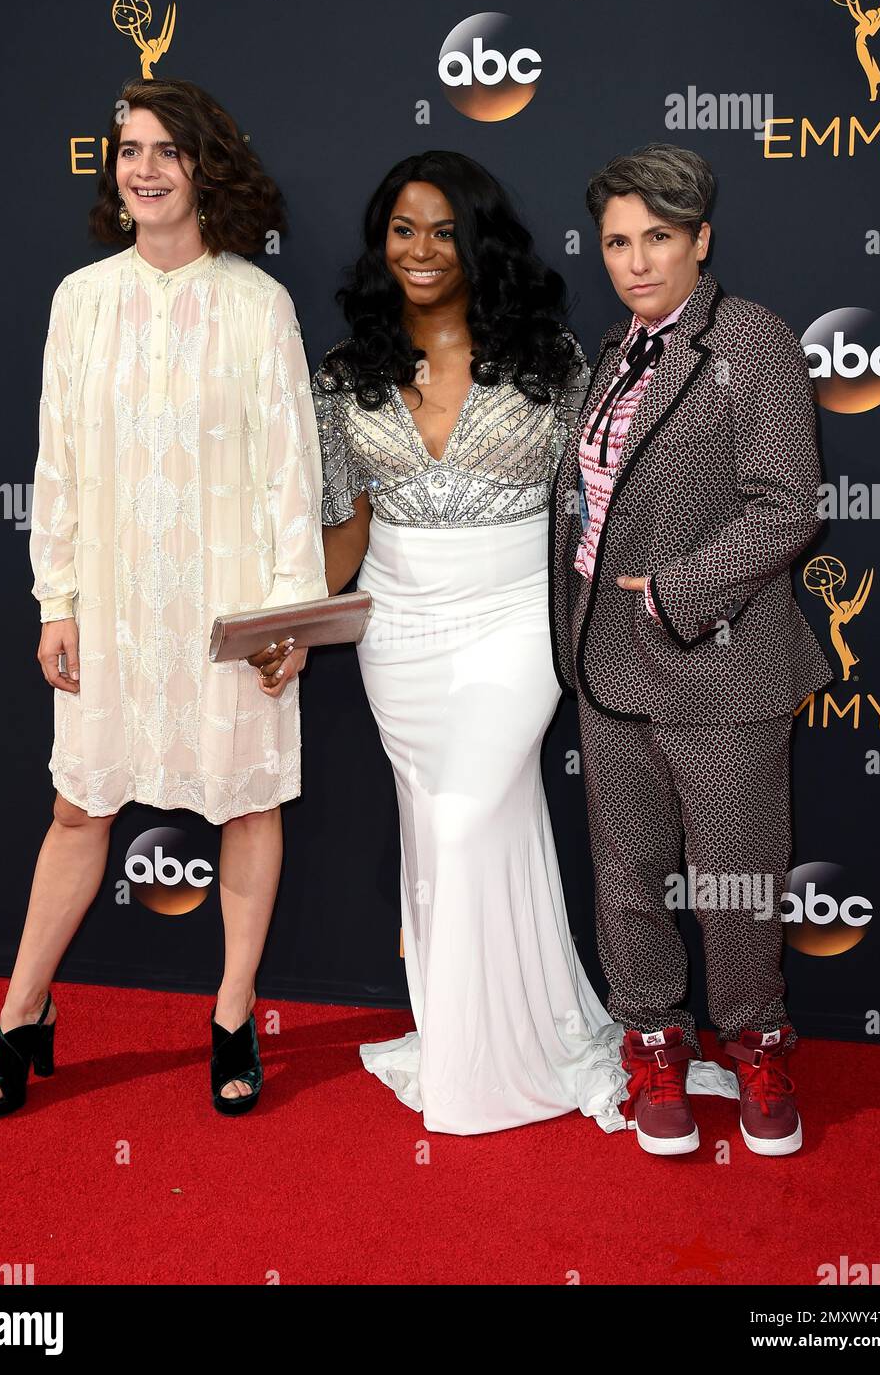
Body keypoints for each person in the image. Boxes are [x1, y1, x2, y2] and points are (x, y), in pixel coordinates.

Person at [0, 78, 326, 1119]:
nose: (145, 168)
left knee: (249, 801)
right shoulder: (80, 299)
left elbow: (289, 475)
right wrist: (57, 598)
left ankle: (230, 1013)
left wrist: (287, 615)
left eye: (167, 149)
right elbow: (59, 465)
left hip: (230, 610)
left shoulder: (259, 303)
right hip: (117, 606)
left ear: (204, 165)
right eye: (129, 149)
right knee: (79, 803)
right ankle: (20, 1011)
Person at [316, 150, 648, 1136]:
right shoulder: (343, 372)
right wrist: (286, 619)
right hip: (397, 626)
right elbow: (344, 527)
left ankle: (496, 1061)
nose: (422, 249)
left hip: (514, 617)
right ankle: (479, 1028)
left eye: (443, 228)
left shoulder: (549, 361)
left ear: (479, 239)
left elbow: (593, 507)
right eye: (403, 228)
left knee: (462, 820)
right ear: (381, 243)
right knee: (443, 830)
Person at [548, 142, 834, 1156]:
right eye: (618, 241)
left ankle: (756, 1042)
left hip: (718, 662)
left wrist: (675, 591)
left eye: (656, 239)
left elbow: (785, 507)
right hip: (607, 663)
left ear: (699, 239)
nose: (634, 262)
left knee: (735, 882)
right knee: (627, 874)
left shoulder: (747, 341)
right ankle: (654, 1037)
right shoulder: (616, 349)